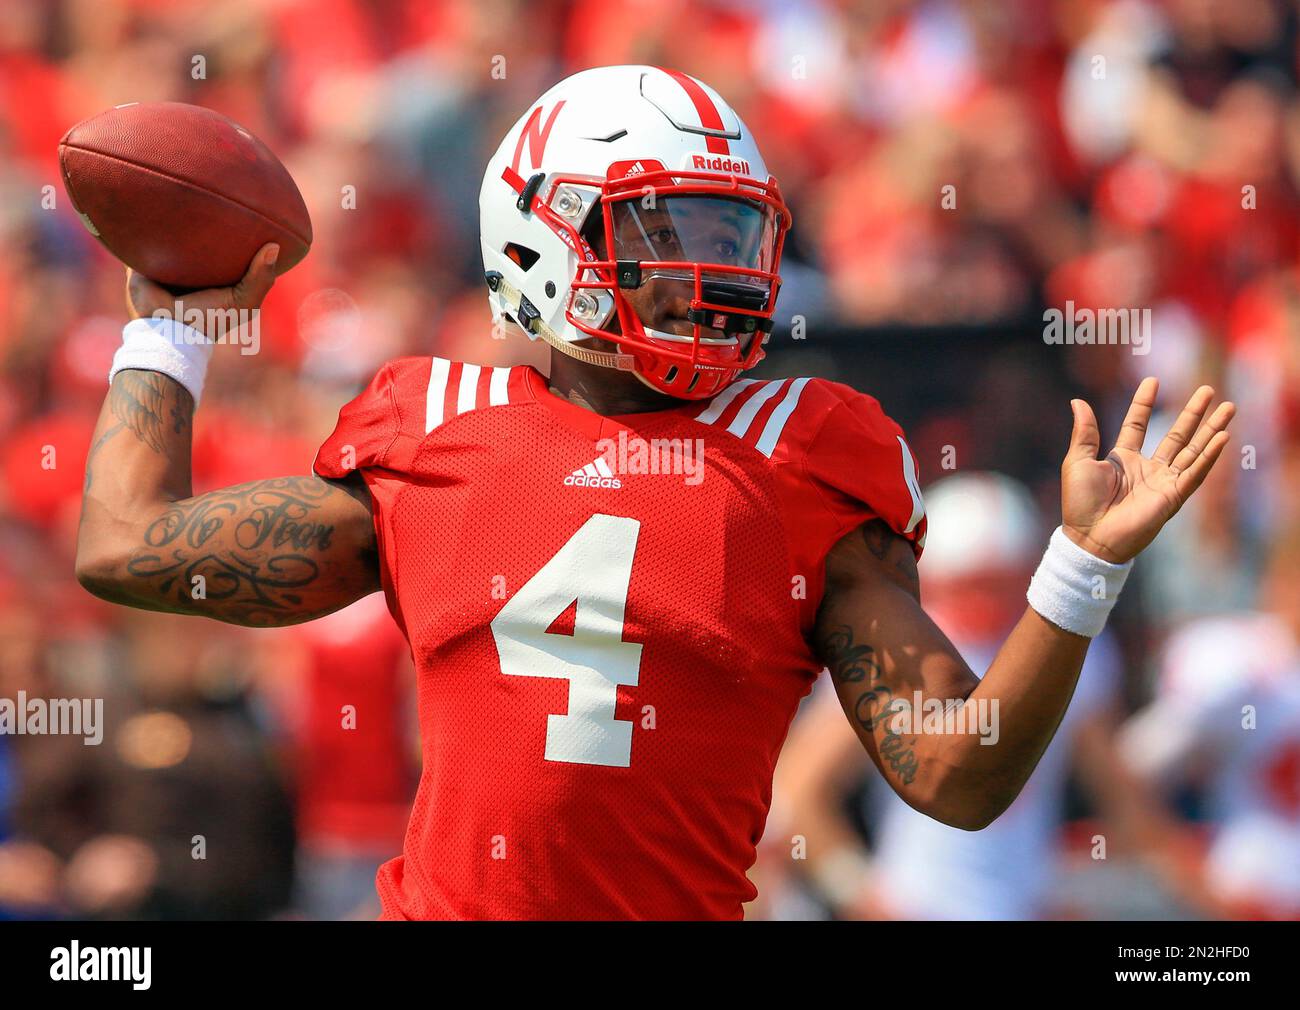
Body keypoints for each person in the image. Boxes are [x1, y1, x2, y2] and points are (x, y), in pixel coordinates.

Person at [75, 65, 1235, 920]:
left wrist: (1083, 566)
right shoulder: (432, 428)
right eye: (664, 230)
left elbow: (959, 772)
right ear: (540, 235)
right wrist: (173, 328)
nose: (709, 271)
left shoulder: (803, 449)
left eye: (730, 231)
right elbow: (127, 546)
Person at [774, 473, 1139, 920]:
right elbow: (798, 790)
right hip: (918, 906)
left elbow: (1124, 798)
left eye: (999, 581)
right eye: (970, 583)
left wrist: (1079, 882)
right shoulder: (899, 651)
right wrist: (861, 895)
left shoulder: (1069, 651)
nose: (986, 601)